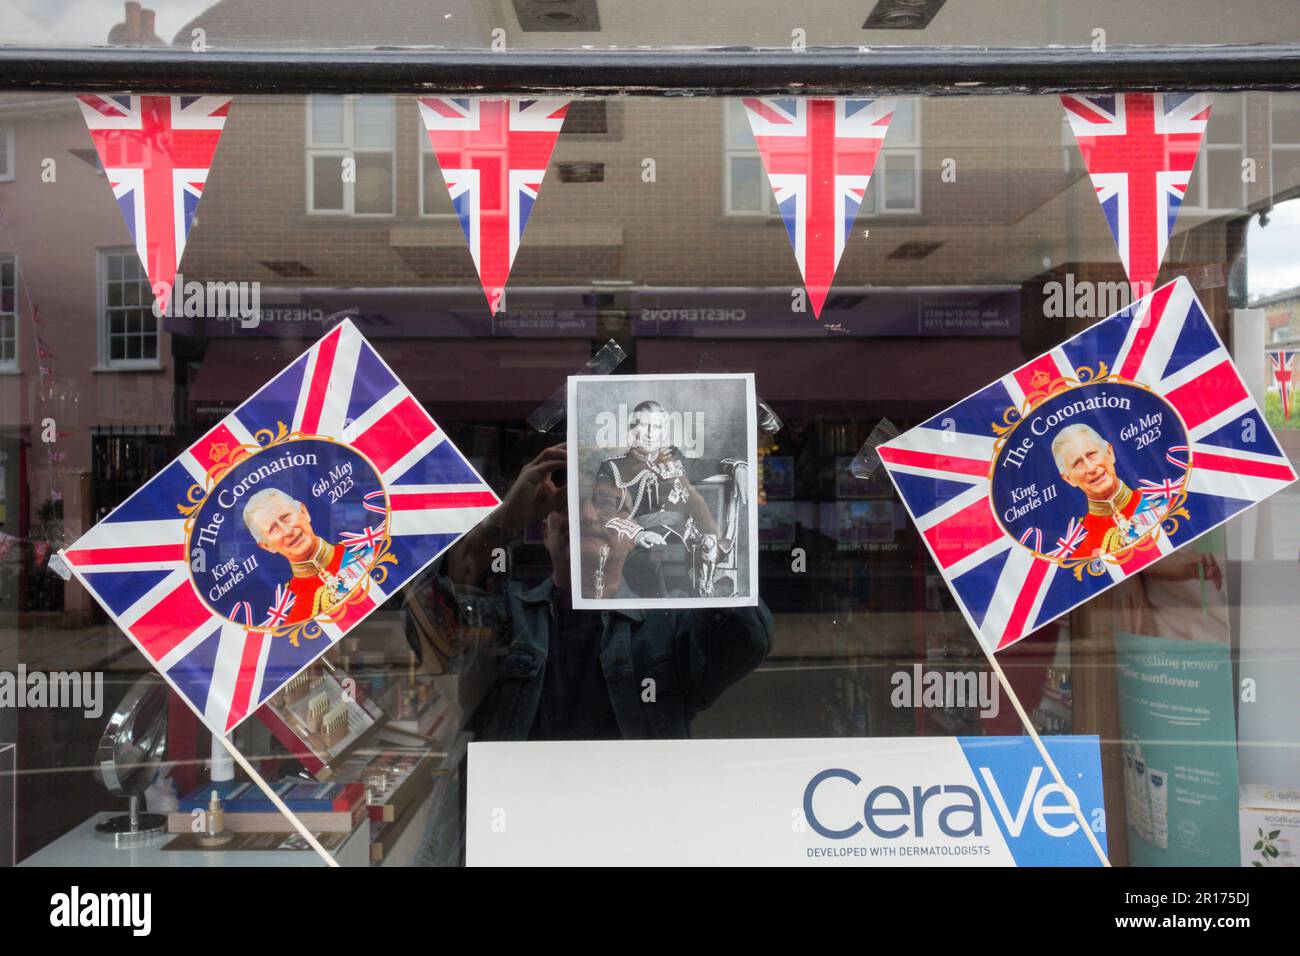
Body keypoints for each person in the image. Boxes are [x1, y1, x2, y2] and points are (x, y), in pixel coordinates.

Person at [425, 444, 773, 741]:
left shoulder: (669, 625)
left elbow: (747, 637)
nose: (588, 516)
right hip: (517, 814)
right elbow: (432, 631)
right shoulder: (506, 615)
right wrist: (502, 524)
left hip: (632, 816)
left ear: (633, 532)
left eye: (607, 504)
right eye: (568, 505)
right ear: (544, 531)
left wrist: (694, 507)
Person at [589, 400, 749, 599]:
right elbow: (603, 516)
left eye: (655, 427)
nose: (648, 432)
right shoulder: (612, 468)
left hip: (683, 542)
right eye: (642, 425)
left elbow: (711, 466)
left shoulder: (675, 459)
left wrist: (738, 467)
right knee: (659, 563)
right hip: (636, 545)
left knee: (675, 561)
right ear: (632, 429)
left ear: (663, 432)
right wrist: (637, 535)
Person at [242, 487, 368, 624]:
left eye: (286, 518)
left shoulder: (371, 554)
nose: (287, 531)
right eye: (273, 529)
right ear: (267, 546)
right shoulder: (291, 620)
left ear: (304, 512)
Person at [1051, 422, 1164, 558]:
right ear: (1068, 479)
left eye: (1092, 454)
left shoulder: (1168, 505)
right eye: (1078, 463)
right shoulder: (1079, 556)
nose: (1091, 468)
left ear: (1110, 452)